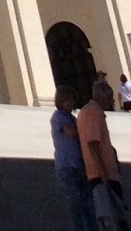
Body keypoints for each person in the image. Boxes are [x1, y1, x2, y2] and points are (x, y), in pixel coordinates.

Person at [77, 80, 126, 229]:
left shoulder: (89, 111)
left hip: (101, 175)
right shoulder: (94, 112)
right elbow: (92, 145)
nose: (111, 102)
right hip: (103, 176)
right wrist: (104, 177)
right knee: (113, 220)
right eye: (110, 98)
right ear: (103, 97)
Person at [53, 86, 99, 231]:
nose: (71, 102)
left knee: (87, 204)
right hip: (67, 167)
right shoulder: (58, 117)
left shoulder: (72, 118)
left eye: (72, 99)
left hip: (79, 165)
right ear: (60, 101)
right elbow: (71, 131)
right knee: (76, 205)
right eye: (67, 100)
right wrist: (89, 129)